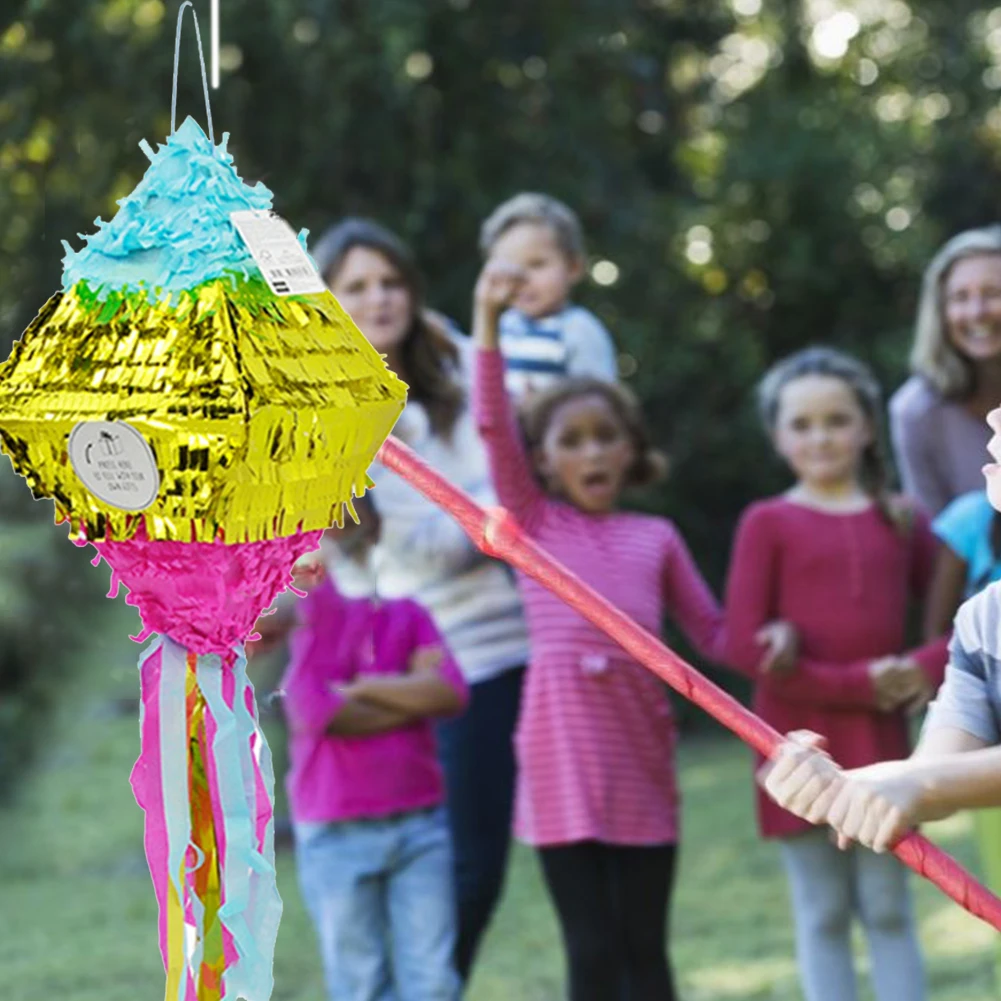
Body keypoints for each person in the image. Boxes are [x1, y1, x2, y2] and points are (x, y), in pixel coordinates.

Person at [470, 258, 792, 1001]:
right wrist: (487, 320)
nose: (590, 451)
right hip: (559, 754)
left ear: (629, 447)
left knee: (645, 952)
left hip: (639, 751)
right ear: (542, 459)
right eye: (570, 440)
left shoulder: (656, 536)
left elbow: (715, 635)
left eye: (604, 437)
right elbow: (492, 424)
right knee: (591, 951)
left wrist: (770, 642)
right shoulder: (532, 525)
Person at [310, 219, 530, 982]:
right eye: (357, 286)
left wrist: (457, 521)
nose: (378, 299)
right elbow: (451, 534)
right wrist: (466, 521)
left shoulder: (456, 374)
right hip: (400, 669)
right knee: (403, 875)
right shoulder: (322, 417)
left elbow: (497, 506)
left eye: (391, 281)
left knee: (477, 867)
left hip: (493, 651)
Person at [723, 347, 950, 1001]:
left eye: (835, 419)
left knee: (887, 904)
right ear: (777, 435)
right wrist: (857, 682)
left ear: (866, 427)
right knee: (820, 910)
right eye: (801, 424)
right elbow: (744, 646)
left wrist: (918, 667)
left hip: (880, 747)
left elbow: (961, 615)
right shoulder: (765, 522)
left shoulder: (900, 517)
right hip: (794, 747)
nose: (819, 436)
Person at [760, 404, 1001, 848]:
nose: (993, 419)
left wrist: (920, 784)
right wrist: (849, 787)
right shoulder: (984, 619)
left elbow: (930, 782)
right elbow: (936, 771)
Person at [259, 495, 468, 1001]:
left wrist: (362, 690)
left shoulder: (408, 612)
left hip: (419, 824)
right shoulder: (305, 616)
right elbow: (313, 713)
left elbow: (449, 693)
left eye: (350, 516)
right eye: (320, 522)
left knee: (434, 981)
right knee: (361, 982)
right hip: (335, 831)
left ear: (375, 529)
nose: (336, 531)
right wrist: (407, 695)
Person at [889, 225, 1001, 518]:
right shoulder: (915, 411)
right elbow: (932, 534)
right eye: (960, 297)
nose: (977, 312)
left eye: (993, 293)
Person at [479, 192, 618, 398]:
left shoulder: (580, 330)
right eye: (510, 268)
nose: (521, 279)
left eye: (537, 264)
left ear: (573, 267)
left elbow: (596, 405)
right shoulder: (501, 327)